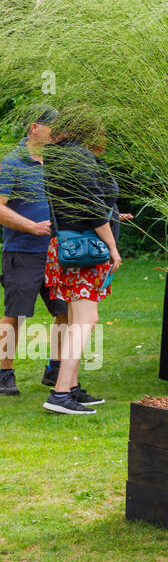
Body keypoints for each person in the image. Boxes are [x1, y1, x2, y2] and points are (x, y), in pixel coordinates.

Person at [41, 110, 120, 415]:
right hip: (84, 249)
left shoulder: (56, 157)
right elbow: (93, 208)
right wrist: (112, 247)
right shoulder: (80, 158)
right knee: (86, 320)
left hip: (65, 245)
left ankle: (70, 387)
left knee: (76, 317)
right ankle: (60, 394)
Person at [0, 108, 70, 396]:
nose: (60, 134)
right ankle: (4, 375)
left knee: (65, 312)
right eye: (55, 128)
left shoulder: (55, 163)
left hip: (56, 253)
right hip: (23, 251)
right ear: (34, 128)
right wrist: (32, 227)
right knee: (15, 315)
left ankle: (55, 370)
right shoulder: (12, 163)